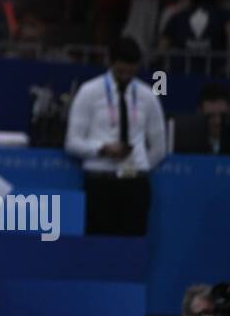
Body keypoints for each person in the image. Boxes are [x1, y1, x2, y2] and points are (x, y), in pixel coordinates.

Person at [64, 36, 166, 235]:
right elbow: (72, 142)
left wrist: (138, 166)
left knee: (133, 248)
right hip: (100, 181)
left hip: (135, 185)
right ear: (109, 63)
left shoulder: (148, 95)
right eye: (120, 71)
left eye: (131, 71)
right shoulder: (89, 92)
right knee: (98, 246)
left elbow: (159, 147)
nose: (126, 76)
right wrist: (101, 150)